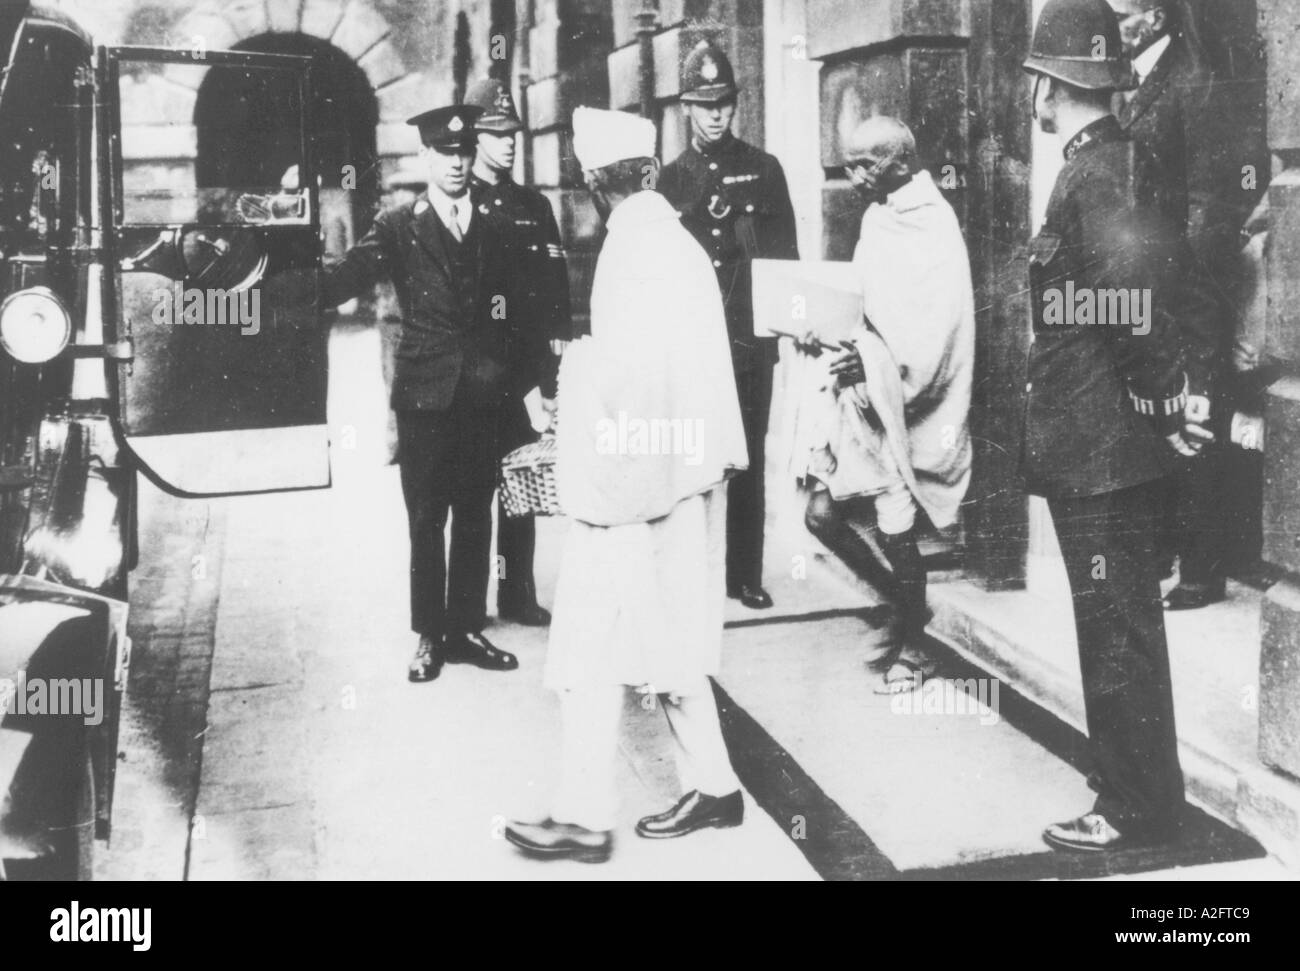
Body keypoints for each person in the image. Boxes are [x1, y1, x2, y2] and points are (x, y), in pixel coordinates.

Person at [503, 107, 750, 863]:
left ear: (590, 184)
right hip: (684, 473)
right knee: (669, 639)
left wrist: (568, 373)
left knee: (587, 643)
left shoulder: (629, 249)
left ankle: (581, 818)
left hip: (635, 485)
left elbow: (630, 379)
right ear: (646, 174)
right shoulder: (672, 239)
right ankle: (714, 785)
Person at [1022, 0, 1213, 852]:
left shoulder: (1095, 174)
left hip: (1099, 448)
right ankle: (1143, 793)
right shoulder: (1114, 164)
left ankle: (1131, 806)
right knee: (1124, 621)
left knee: (1115, 628)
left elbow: (1128, 303)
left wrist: (1164, 400)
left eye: (1038, 78)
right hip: (1102, 443)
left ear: (1051, 86)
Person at [323, 104, 549, 683]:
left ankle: (466, 627)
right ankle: (429, 636)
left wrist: (535, 385)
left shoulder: (495, 227)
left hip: (482, 397)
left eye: (464, 152)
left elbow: (516, 312)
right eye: (445, 154)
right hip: (424, 395)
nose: (456, 163)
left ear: (473, 155)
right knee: (426, 518)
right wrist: (288, 267)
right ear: (425, 157)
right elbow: (347, 276)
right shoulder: (399, 225)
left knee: (475, 514)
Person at [795, 116, 974, 695]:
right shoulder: (877, 217)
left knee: (899, 530)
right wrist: (819, 328)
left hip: (902, 400)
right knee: (820, 516)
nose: (851, 177)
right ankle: (905, 607)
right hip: (860, 394)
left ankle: (916, 645)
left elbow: (935, 332)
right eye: (847, 163)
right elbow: (865, 306)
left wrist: (871, 367)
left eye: (863, 165)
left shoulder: (934, 224)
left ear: (900, 163)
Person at [1108, 0, 1252, 610]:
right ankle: (1163, 551)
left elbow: (1211, 198)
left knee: (1197, 417)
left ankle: (1201, 571)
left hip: (1187, 287)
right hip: (1146, 282)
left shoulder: (1194, 81)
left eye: (1121, 12)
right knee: (1155, 413)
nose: (1112, 24)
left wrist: (1185, 279)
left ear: (1156, 19)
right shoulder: (1127, 81)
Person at [658, 40, 799, 611]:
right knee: (692, 459)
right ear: (685, 108)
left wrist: (786, 329)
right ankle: (693, 571)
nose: (715, 113)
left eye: (724, 103)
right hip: (693, 344)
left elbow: (785, 259)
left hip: (746, 342)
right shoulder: (668, 182)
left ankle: (744, 574)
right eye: (703, 103)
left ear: (735, 105)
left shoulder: (765, 172)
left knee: (748, 460)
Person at [465, 78, 570, 627]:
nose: (507, 143)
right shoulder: (463, 203)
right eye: (494, 133)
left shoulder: (534, 205)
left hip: (525, 370)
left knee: (521, 487)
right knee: (475, 488)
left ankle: (516, 594)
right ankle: (467, 605)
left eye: (512, 134)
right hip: (480, 367)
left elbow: (555, 289)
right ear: (474, 136)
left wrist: (551, 369)